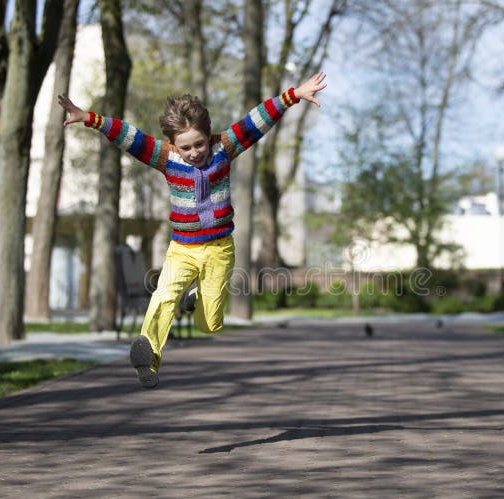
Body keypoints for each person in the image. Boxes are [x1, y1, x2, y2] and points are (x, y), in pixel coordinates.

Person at [58, 72, 327, 388]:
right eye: (186, 147)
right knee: (163, 295)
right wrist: (89, 118)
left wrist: (293, 94)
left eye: (199, 144)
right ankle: (149, 359)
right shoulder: (166, 157)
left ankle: (197, 300)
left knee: (210, 324)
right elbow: (128, 136)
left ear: (209, 135)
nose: (194, 153)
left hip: (219, 250)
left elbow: (256, 122)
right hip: (182, 249)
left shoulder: (224, 149)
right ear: (174, 145)